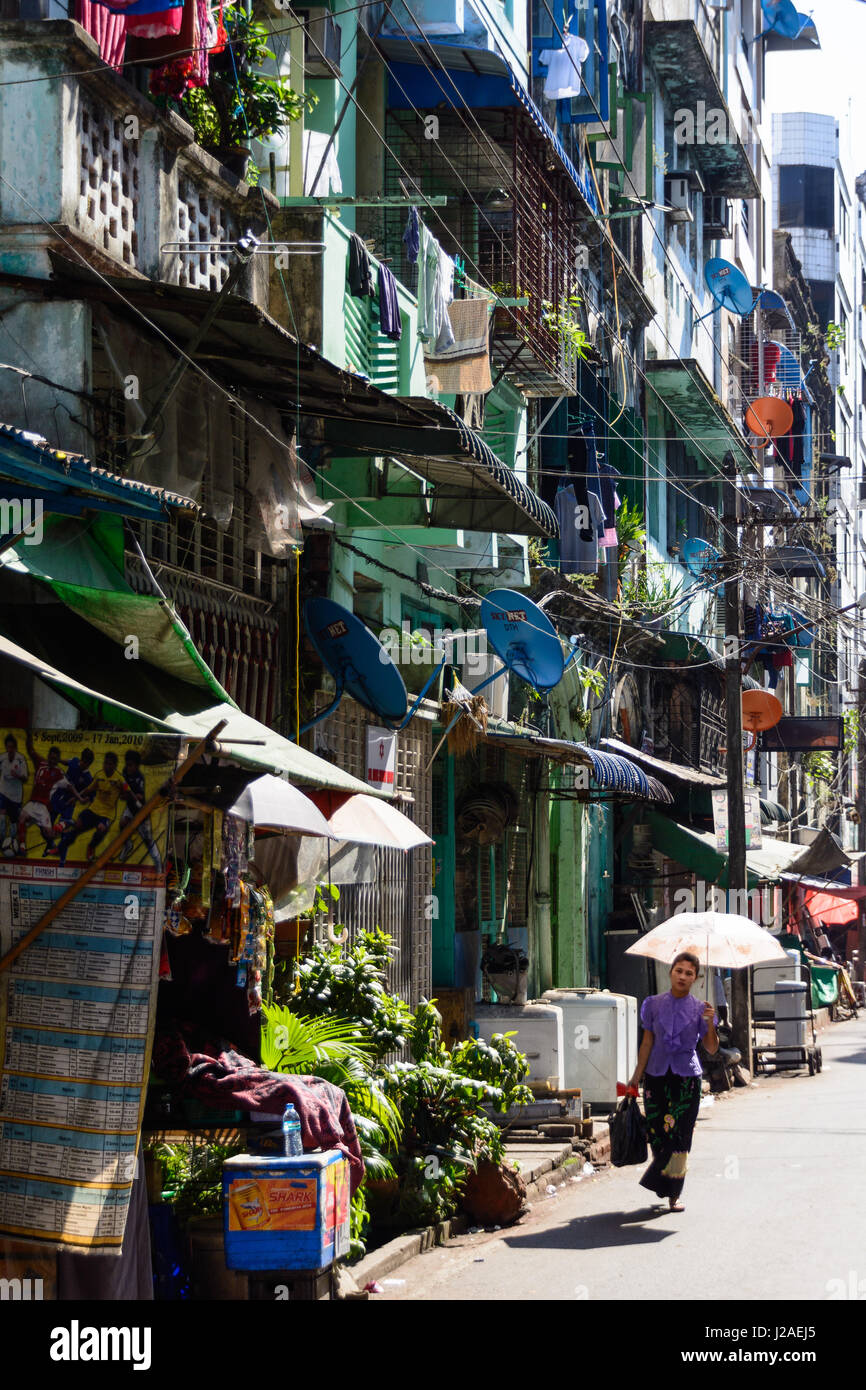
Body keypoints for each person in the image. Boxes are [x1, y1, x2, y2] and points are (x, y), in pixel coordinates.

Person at [627, 952, 718, 1212]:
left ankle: (673, 1194)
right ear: (671, 972)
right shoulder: (653, 1005)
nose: (683, 976)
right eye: (679, 970)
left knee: (680, 1137)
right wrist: (636, 1078)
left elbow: (711, 1049)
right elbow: (647, 1043)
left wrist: (710, 1024)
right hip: (655, 1077)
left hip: (687, 1080)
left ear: (696, 978)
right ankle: (663, 1180)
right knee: (657, 1133)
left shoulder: (702, 1009)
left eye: (689, 973)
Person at [56, 751, 129, 866]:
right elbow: (88, 790)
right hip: (94, 808)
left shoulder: (119, 779)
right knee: (78, 825)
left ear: (115, 765)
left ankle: (91, 846)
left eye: (110, 764)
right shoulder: (99, 775)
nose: (107, 766)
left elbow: (127, 792)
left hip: (107, 813)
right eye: (106, 763)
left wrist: (122, 795)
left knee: (101, 828)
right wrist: (76, 798)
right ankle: (60, 847)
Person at [0, 734, 28, 856]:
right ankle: (1, 843)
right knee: (1, 818)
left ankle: (11, 844)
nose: (10, 750)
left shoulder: (21, 760)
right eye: (8, 747)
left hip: (15, 796)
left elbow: (25, 779)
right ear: (6, 747)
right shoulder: (2, 758)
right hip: (3, 792)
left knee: (12, 823)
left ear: (15, 748)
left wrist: (18, 776)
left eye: (12, 747)